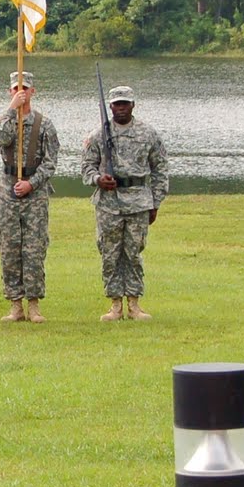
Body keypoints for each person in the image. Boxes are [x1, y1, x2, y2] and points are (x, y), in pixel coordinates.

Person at [82, 86, 170, 321]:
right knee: (109, 253)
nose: (120, 108)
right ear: (110, 107)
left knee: (133, 252)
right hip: (108, 203)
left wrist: (156, 201)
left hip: (139, 201)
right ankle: (115, 305)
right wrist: (98, 179)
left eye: (125, 103)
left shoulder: (148, 133)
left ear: (133, 105)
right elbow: (87, 167)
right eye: (116, 104)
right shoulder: (99, 134)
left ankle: (134, 303)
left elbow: (160, 169)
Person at [0, 72, 61, 323]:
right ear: (10, 92)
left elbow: (51, 162)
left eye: (25, 88)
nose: (21, 92)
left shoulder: (45, 125)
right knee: (9, 247)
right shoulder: (2, 121)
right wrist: (12, 110)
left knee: (34, 248)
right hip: (7, 191)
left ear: (33, 91)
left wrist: (32, 183)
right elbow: (2, 139)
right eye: (16, 88)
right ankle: (15, 304)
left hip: (35, 193)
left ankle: (34, 303)